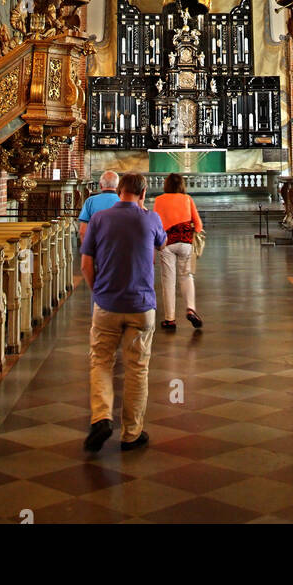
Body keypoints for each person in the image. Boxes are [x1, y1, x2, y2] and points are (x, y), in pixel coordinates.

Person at [80, 172, 166, 454]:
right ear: (143, 194)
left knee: (101, 362)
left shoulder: (99, 218)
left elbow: (85, 265)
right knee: (137, 368)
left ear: (118, 191)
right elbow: (161, 244)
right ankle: (131, 433)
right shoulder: (151, 218)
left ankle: (102, 417)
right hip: (141, 304)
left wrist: (98, 292)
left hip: (106, 302)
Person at [153, 173, 204, 331]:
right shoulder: (187, 199)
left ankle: (170, 319)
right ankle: (190, 308)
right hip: (185, 242)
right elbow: (198, 225)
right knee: (186, 276)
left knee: (168, 280)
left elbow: (155, 223)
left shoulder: (159, 200)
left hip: (166, 242)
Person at [78, 170, 120, 246]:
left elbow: (82, 231)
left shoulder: (90, 201)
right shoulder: (123, 201)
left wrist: (87, 252)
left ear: (100, 185)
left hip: (96, 248)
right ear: (117, 186)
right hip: (118, 249)